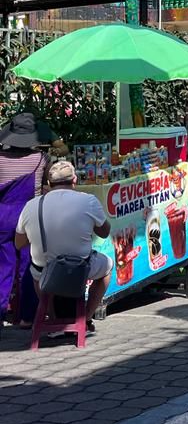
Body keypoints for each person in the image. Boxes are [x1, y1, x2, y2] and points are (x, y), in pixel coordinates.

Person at [14, 159, 113, 331]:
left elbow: (19, 243)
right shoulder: (88, 200)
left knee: (36, 271)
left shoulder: (31, 205)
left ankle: (53, 317)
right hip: (80, 269)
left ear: (49, 184)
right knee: (107, 266)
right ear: (74, 180)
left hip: (44, 270)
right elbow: (104, 232)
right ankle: (87, 317)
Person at [0, 113, 56, 327]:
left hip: (2, 216)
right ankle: (26, 316)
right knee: (27, 266)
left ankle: (1, 313)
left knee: (2, 267)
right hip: (28, 215)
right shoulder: (41, 158)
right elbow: (45, 184)